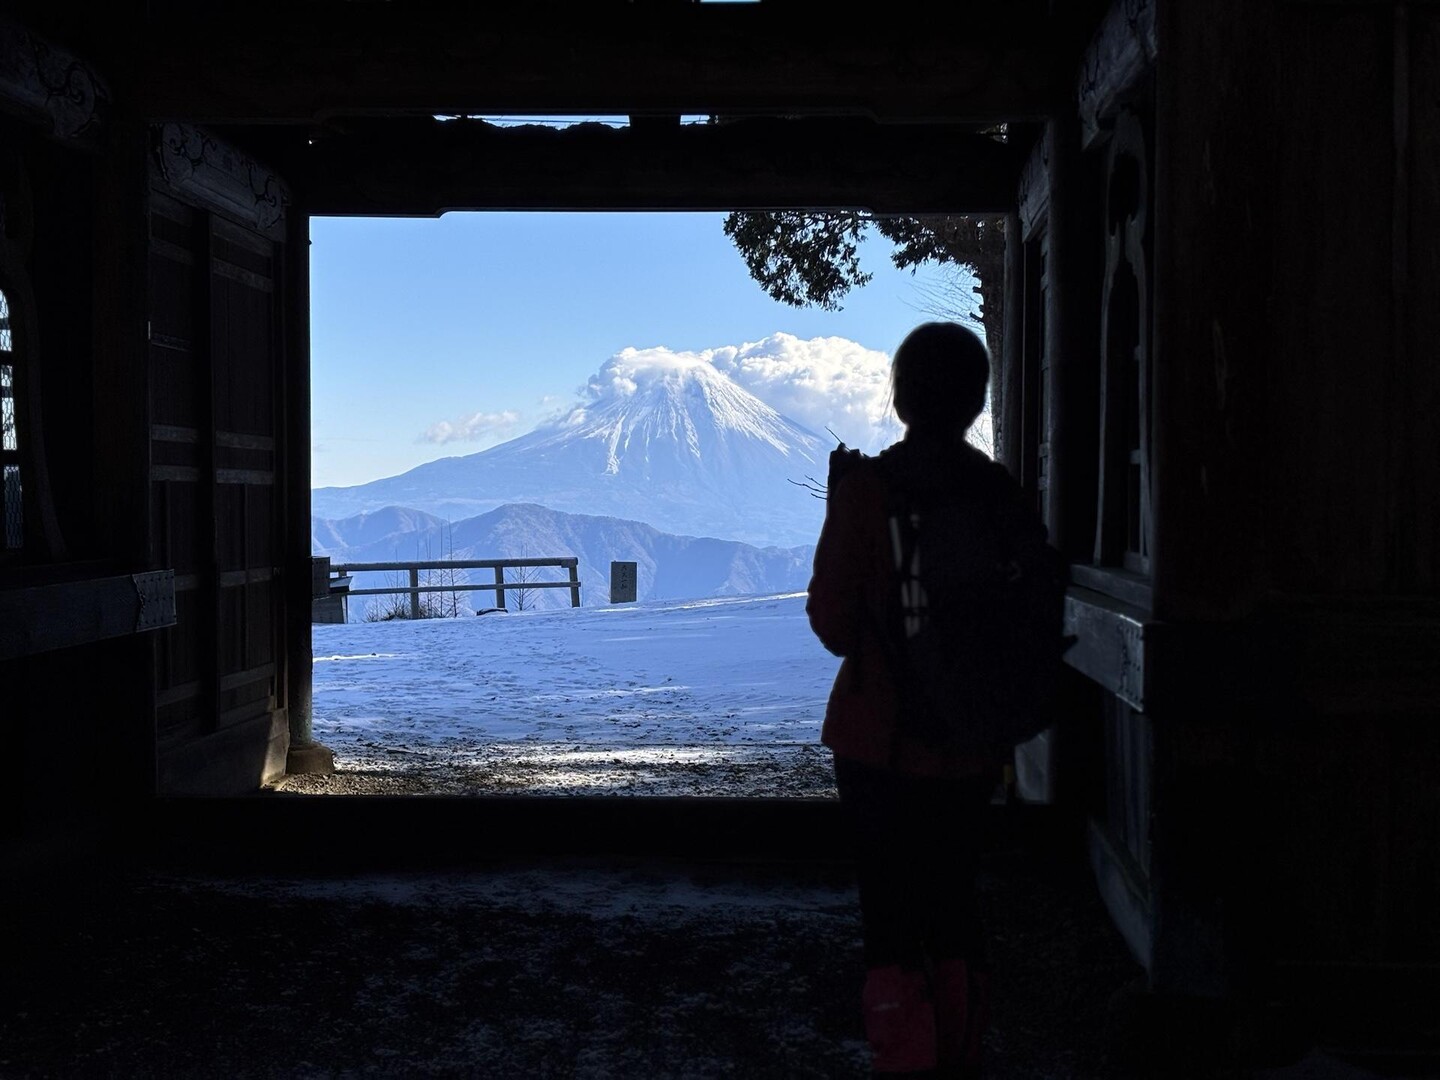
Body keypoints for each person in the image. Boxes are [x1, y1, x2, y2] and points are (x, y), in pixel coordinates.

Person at [807, 322, 1048, 1079]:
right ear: (976, 399)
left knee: (890, 916)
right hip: (970, 739)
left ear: (902, 395)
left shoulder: (867, 493)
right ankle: (959, 1052)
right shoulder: (1000, 493)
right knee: (955, 908)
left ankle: (904, 1057)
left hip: (879, 739)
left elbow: (836, 626)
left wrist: (837, 510)